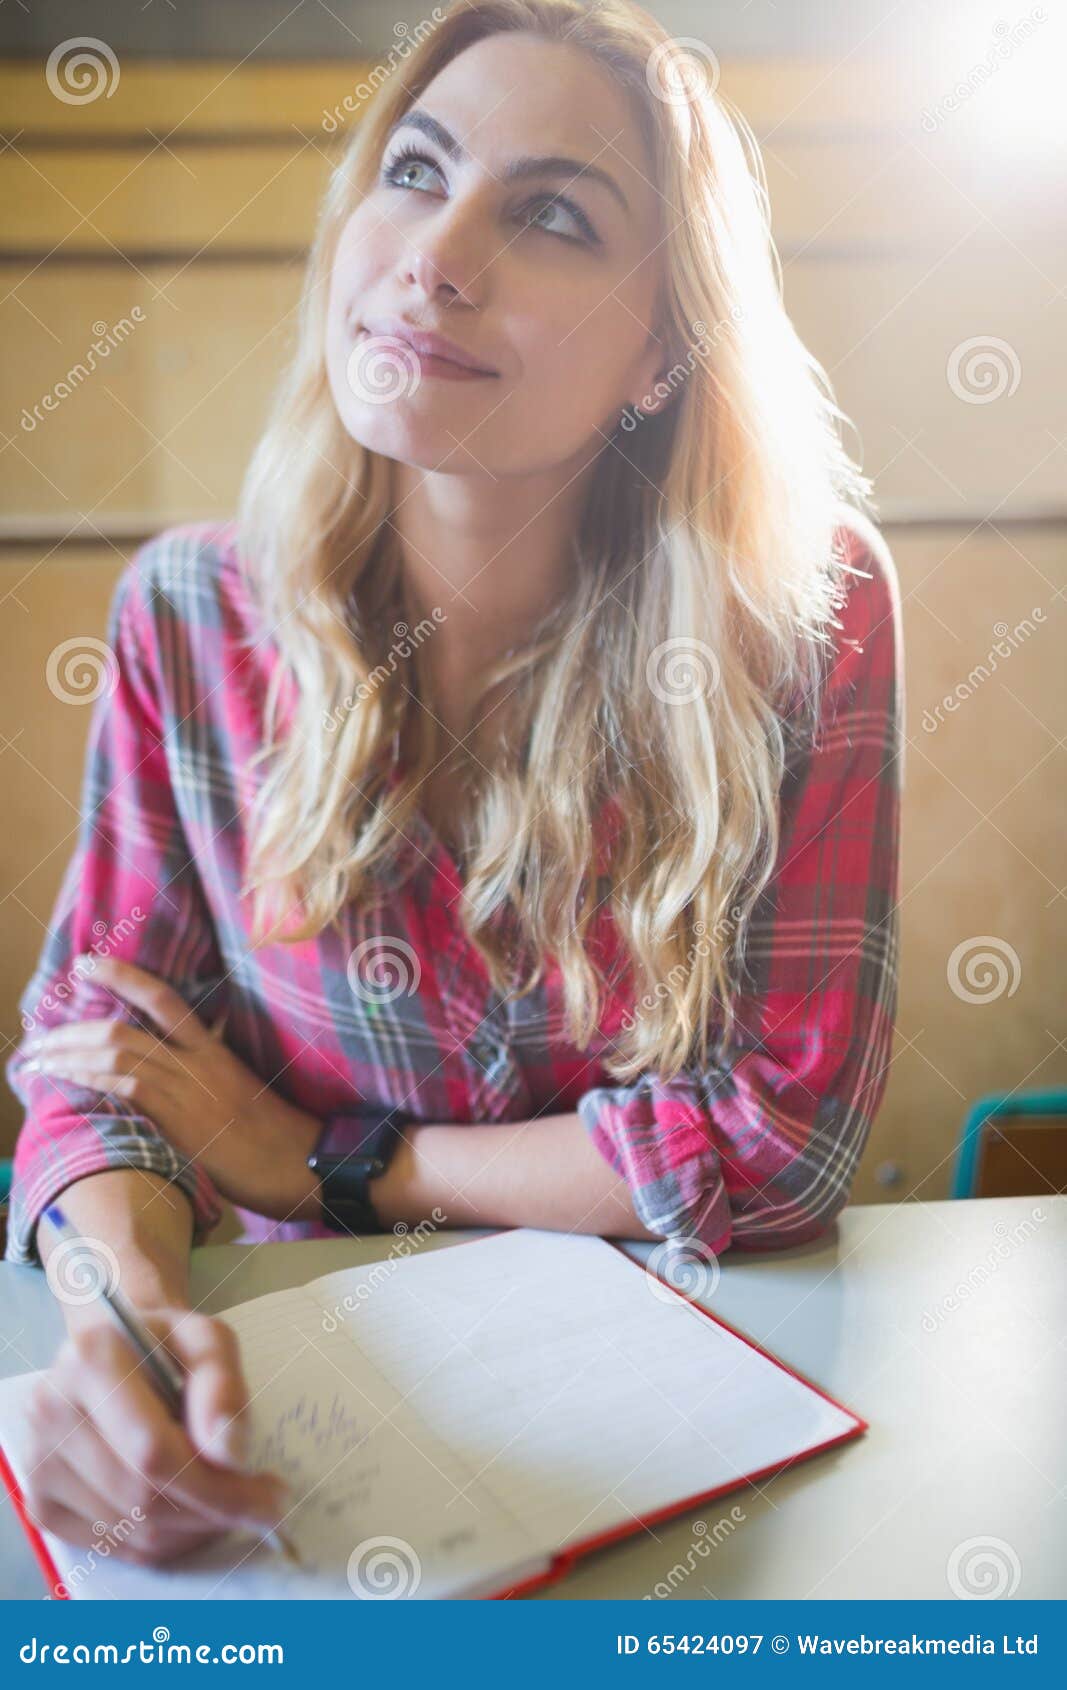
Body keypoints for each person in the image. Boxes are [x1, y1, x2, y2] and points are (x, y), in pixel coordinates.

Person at [4, 0, 902, 1569]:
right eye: (414, 170)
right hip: (300, 1408)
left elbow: (784, 1129)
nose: (436, 249)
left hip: (692, 1426)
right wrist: (129, 1314)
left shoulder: (804, 621)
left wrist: (330, 1162)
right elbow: (97, 1067)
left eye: (552, 211)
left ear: (660, 352)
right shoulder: (186, 618)